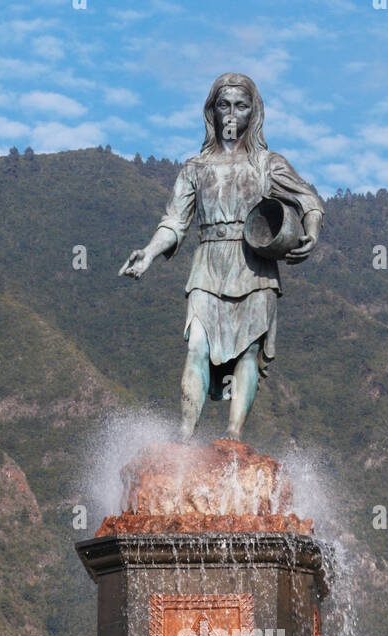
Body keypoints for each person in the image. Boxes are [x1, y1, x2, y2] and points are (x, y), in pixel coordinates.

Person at [119, 72, 324, 440]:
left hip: (255, 264)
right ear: (211, 111)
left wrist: (311, 232)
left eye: (241, 106)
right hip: (209, 265)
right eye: (224, 105)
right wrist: (148, 254)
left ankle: (233, 437)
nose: (232, 114)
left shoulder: (267, 165)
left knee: (248, 351)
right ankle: (183, 438)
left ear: (254, 112)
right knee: (197, 345)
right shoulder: (194, 169)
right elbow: (175, 221)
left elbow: (309, 200)